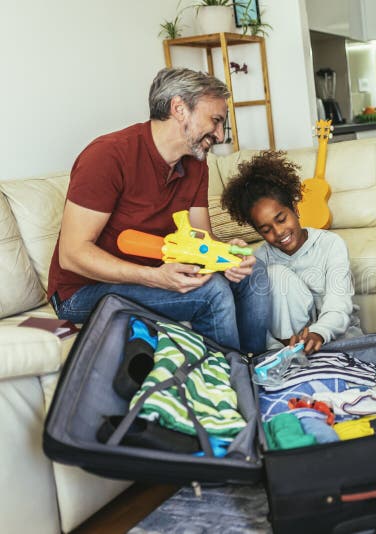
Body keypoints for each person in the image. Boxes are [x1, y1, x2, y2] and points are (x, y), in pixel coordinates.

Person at [48, 68, 270, 354]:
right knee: (211, 292)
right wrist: (154, 277)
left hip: (157, 271)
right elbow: (72, 255)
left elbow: (202, 240)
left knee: (254, 273)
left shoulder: (195, 163)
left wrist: (227, 255)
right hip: (80, 292)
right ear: (179, 108)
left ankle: (256, 369)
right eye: (215, 121)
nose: (219, 134)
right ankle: (229, 383)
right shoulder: (107, 156)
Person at [220, 150, 362, 355]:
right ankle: (293, 357)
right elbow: (259, 321)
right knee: (271, 274)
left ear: (295, 209)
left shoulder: (331, 244)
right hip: (289, 348)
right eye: (266, 230)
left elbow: (339, 304)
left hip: (335, 337)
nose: (278, 233)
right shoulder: (261, 258)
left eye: (281, 219)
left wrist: (318, 333)